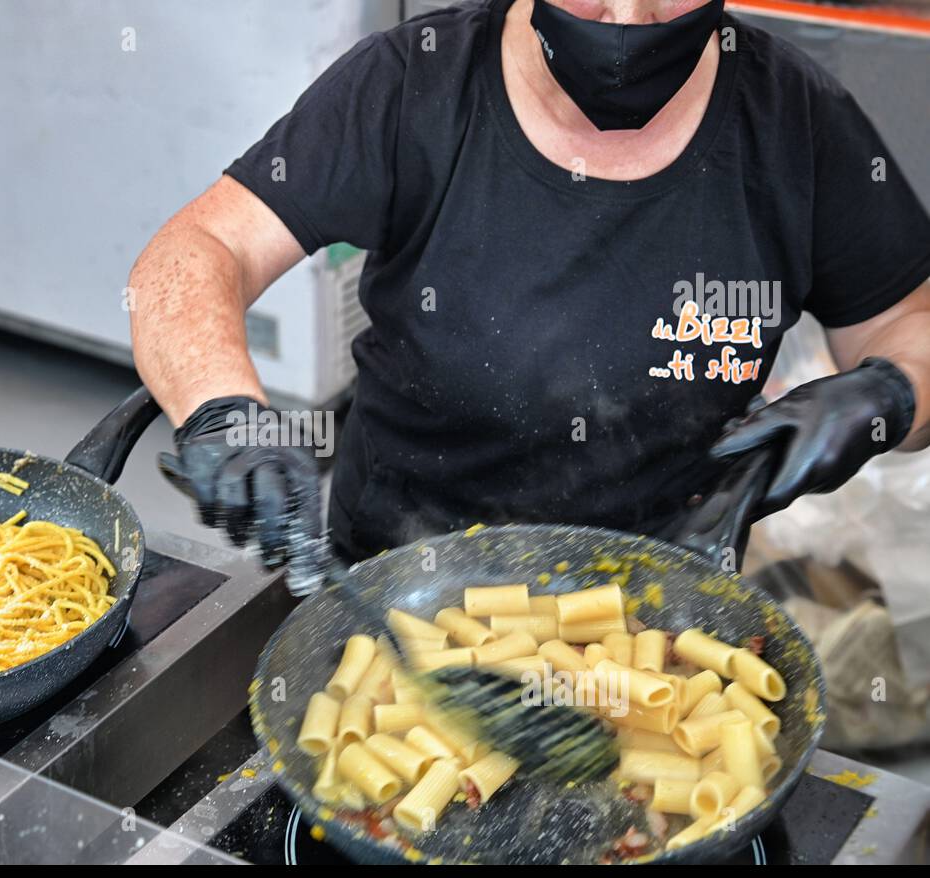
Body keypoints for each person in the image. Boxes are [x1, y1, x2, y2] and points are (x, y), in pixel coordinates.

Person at [129, 0, 930, 588]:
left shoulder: (798, 122)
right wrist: (223, 411)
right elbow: (199, 249)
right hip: (388, 596)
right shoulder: (413, 85)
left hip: (660, 620)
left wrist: (884, 392)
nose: (624, 16)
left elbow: (909, 321)